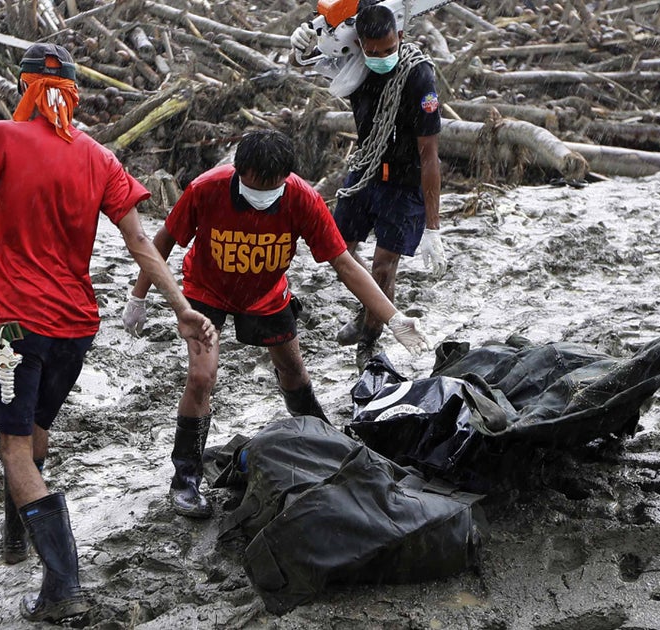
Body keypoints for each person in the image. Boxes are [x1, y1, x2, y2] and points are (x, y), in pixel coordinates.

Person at [0, 43, 217, 622]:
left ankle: (63, 585)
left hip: (16, 327)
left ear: (27, 91)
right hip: (75, 327)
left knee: (15, 447)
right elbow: (142, 242)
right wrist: (182, 307)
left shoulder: (2, 138)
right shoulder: (98, 158)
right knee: (34, 431)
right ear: (71, 92)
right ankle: (17, 539)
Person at [120, 129, 430, 519]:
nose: (264, 195)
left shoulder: (302, 199)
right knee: (202, 377)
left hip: (266, 293)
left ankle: (321, 439)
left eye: (274, 187)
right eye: (255, 186)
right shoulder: (205, 189)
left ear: (287, 177)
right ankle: (185, 478)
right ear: (239, 172)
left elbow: (345, 264)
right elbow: (162, 240)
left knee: (293, 370)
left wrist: (393, 317)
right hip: (205, 291)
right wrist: (138, 295)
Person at [290, 1, 447, 369]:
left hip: (406, 180)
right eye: (373, 52)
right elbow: (318, 61)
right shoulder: (356, 66)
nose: (382, 58)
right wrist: (302, 47)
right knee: (337, 248)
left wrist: (433, 228)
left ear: (401, 37)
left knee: (383, 267)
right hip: (366, 170)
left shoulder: (417, 76)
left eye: (390, 49)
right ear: (359, 45)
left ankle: (370, 341)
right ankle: (371, 308)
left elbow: (429, 155)